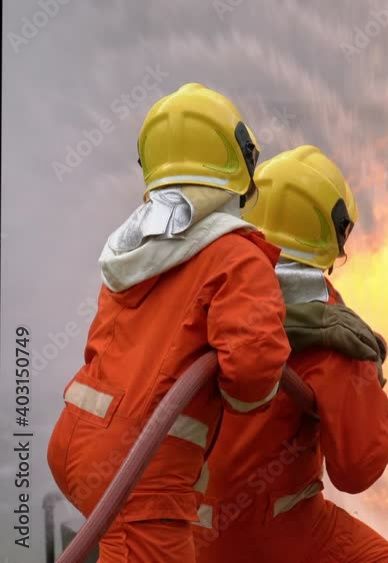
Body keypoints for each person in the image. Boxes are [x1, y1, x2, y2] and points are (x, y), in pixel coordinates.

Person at [47, 83, 291, 562]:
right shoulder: (238, 257)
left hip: (75, 444)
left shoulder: (134, 250)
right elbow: (252, 374)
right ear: (239, 163)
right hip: (140, 475)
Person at [192, 145, 388, 562]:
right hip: (278, 530)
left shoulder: (202, 290)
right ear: (333, 234)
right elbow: (357, 468)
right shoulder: (333, 333)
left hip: (181, 528)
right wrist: (364, 374)